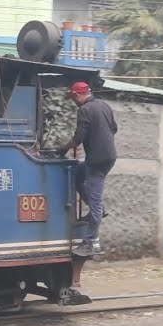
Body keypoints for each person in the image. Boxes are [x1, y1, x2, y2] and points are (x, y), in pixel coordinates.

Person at [54, 81, 118, 257]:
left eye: (73, 98)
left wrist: (63, 149)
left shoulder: (84, 110)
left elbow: (79, 137)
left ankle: (90, 243)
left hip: (97, 161)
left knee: (95, 201)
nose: (73, 101)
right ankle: (98, 209)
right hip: (108, 157)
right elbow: (114, 128)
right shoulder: (104, 105)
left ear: (78, 95)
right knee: (76, 175)